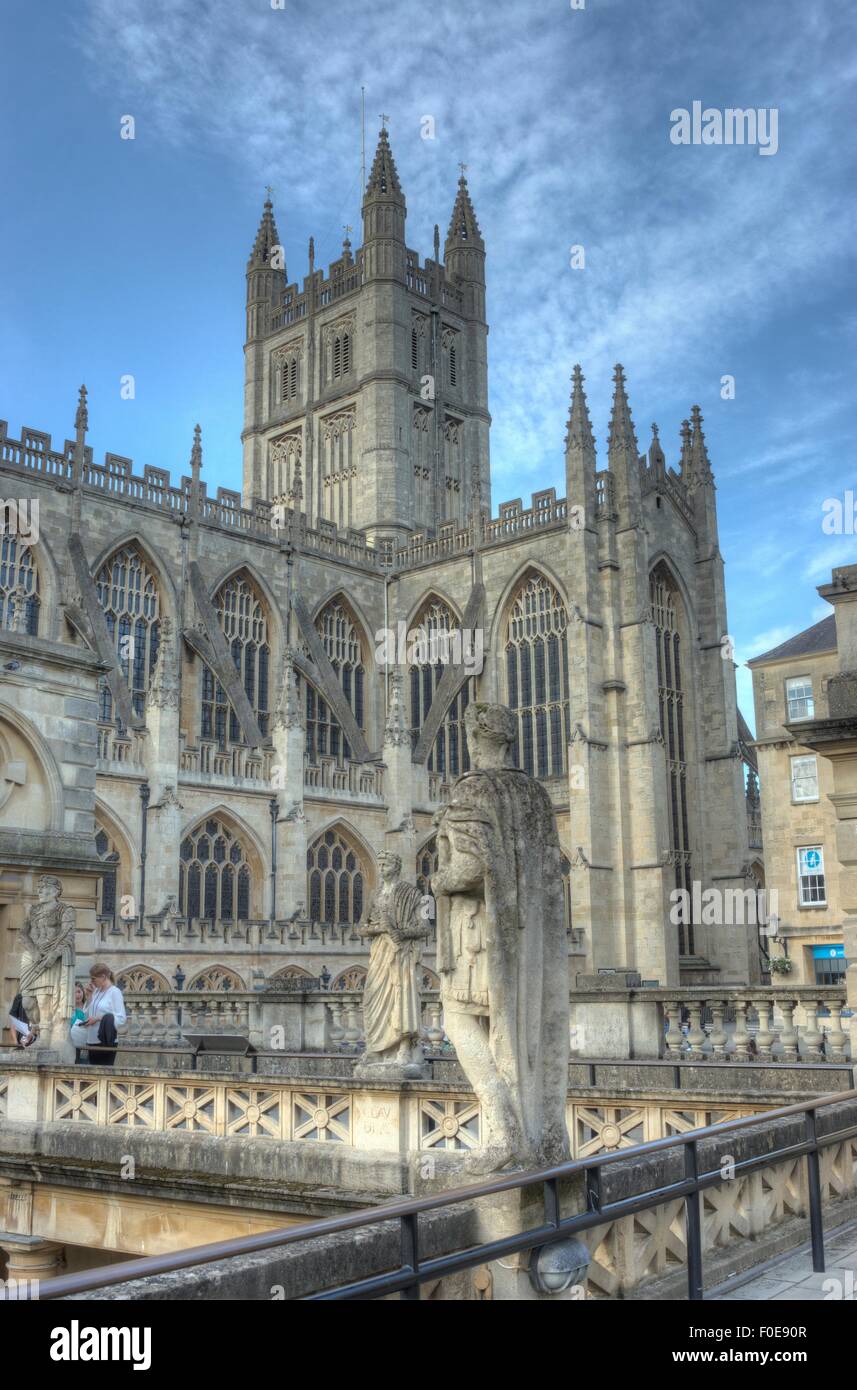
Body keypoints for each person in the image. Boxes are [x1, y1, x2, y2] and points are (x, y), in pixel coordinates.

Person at [70, 964, 126, 1065]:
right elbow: (86, 1014)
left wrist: (98, 1018)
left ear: (103, 977)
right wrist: (89, 996)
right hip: (91, 1040)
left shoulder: (115, 992)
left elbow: (121, 1018)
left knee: (104, 1074)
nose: (92, 982)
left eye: (93, 979)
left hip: (106, 1041)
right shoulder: (96, 992)